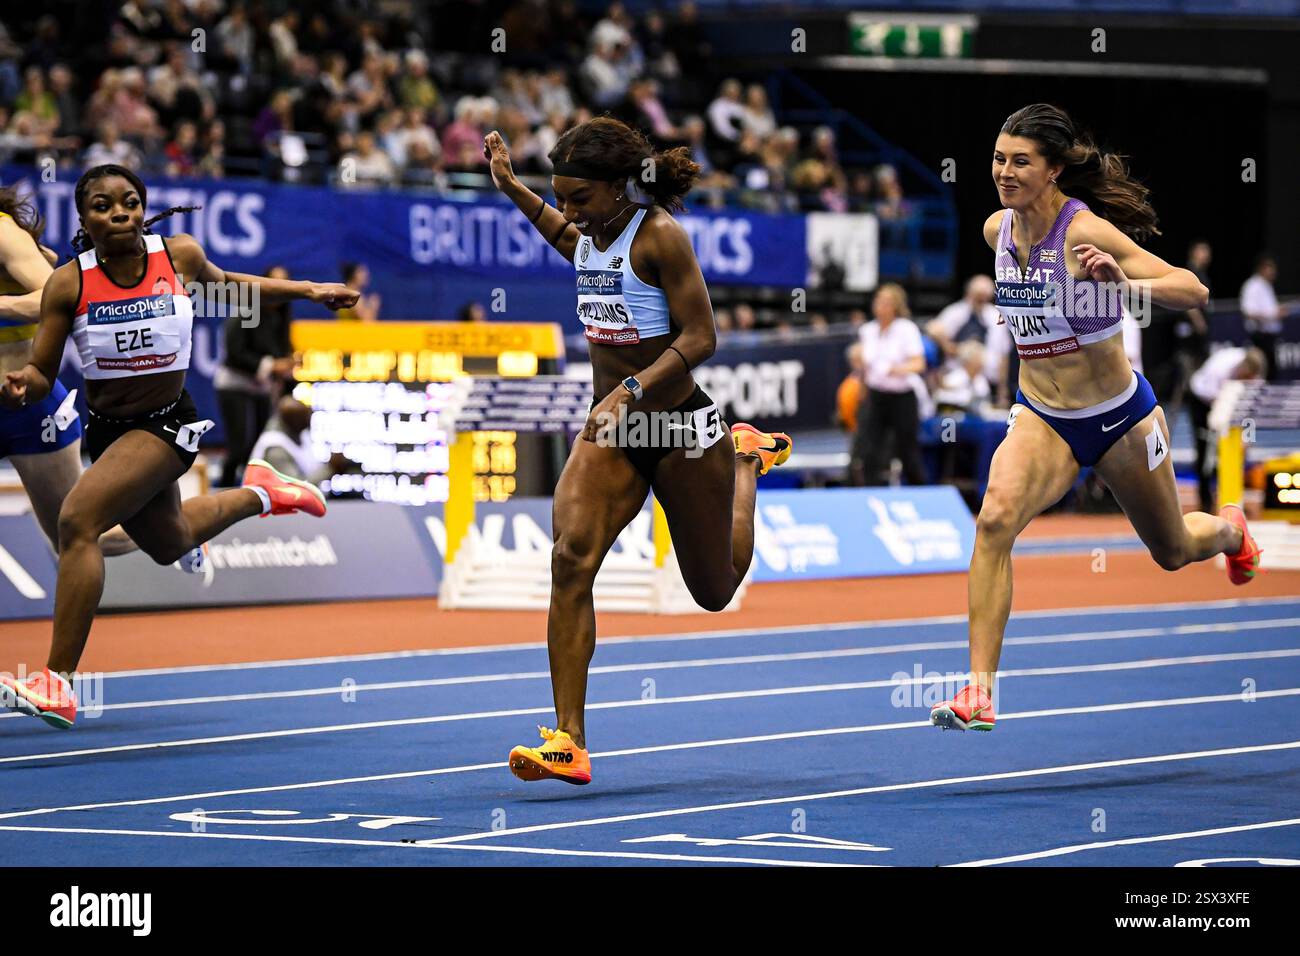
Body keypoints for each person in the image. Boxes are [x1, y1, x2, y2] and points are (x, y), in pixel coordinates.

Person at [930, 104, 1261, 734]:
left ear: (1053, 170)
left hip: (1120, 420)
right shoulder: (996, 231)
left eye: (1020, 161)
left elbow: (1193, 290)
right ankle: (979, 691)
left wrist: (1125, 285)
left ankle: (1228, 532)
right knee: (995, 520)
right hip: (1042, 416)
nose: (1004, 171)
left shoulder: (1088, 234)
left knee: (1173, 550)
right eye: (999, 158)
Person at [483, 117, 792, 784]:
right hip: (617, 431)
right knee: (570, 557)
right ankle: (569, 738)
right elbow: (567, 239)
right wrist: (511, 188)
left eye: (580, 198)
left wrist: (632, 386)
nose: (569, 211)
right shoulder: (590, 233)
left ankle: (745, 460)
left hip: (679, 427)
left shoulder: (660, 238)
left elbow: (702, 336)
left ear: (621, 189)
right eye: (560, 196)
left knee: (713, 591)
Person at [0, 164, 357, 730]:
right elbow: (43, 371)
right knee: (172, 542)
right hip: (109, 432)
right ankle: (262, 494)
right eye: (102, 205)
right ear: (84, 219)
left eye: (129, 202)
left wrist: (308, 290)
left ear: (143, 208)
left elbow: (233, 289)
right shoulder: (69, 283)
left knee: (77, 522)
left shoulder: (178, 257)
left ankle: (56, 681)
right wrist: (24, 386)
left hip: (166, 425)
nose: (119, 213)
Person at [0, 183, 135, 559]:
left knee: (77, 535)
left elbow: (54, 296)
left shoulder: (3, 232)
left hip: (30, 409)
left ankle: (180, 524)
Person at [214, 263, 295, 486]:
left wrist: (287, 365)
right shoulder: (247, 310)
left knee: (259, 447)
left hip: (261, 389)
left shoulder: (282, 316)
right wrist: (271, 366)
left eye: (285, 284)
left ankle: (255, 492)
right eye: (274, 283)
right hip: (234, 385)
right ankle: (225, 488)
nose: (279, 289)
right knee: (240, 446)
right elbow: (235, 352)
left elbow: (282, 351)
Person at [850, 283, 928, 487]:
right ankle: (871, 492)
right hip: (876, 396)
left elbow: (919, 363)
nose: (880, 307)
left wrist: (896, 369)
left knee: (907, 450)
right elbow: (866, 368)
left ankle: (920, 492)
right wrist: (863, 391)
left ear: (896, 306)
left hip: (902, 396)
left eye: (886, 303)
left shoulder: (906, 329)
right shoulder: (868, 330)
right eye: (878, 301)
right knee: (868, 448)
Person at [1187, 346, 1267, 514]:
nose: (1247, 380)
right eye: (1245, 377)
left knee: (1239, 450)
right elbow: (1215, 407)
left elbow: (1250, 412)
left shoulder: (1254, 378)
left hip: (1229, 401)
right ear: (1242, 369)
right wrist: (1219, 433)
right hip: (1203, 400)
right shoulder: (1220, 368)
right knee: (1205, 453)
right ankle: (1206, 502)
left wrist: (1247, 438)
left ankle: (1236, 501)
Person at [1240, 253, 1281, 382]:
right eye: (1271, 268)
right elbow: (1248, 312)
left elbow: (1270, 310)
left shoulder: (1267, 286)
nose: (1274, 271)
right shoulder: (1252, 286)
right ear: (1262, 268)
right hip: (1260, 337)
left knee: (1272, 373)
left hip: (1270, 337)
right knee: (1261, 373)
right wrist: (1270, 316)